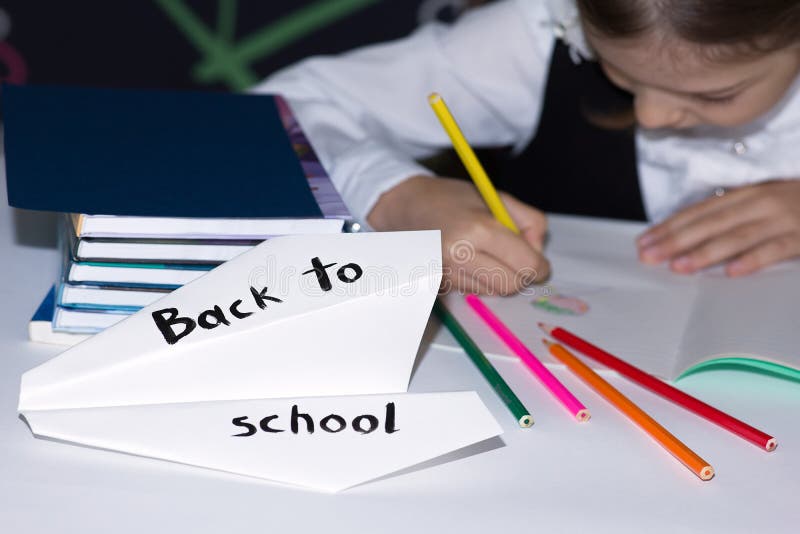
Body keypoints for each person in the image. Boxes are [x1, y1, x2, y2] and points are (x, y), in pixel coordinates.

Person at [255, 0, 800, 295]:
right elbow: (276, 111)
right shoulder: (538, 33)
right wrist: (395, 195)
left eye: (717, 93)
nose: (651, 117)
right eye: (614, 70)